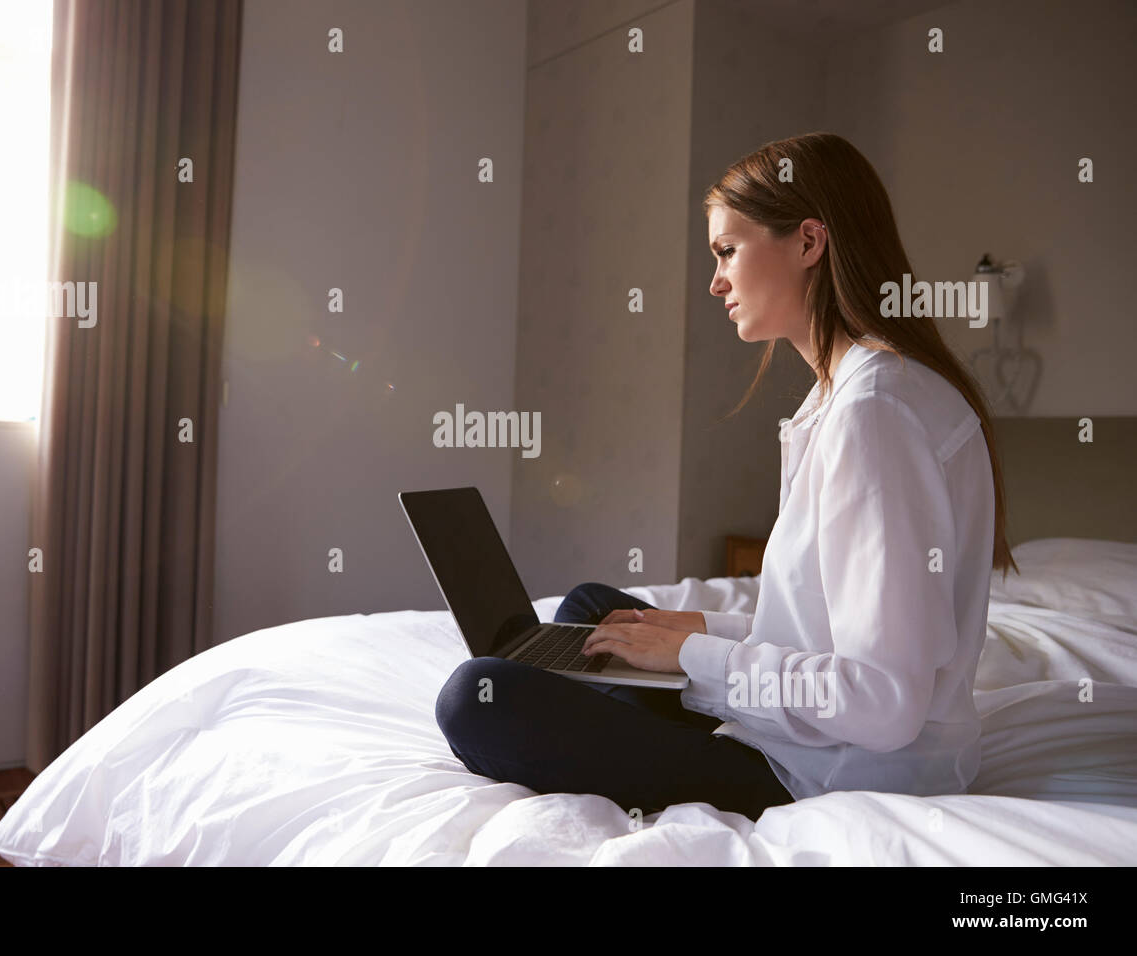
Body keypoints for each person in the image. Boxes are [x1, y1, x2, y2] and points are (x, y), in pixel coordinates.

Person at [435, 132, 1016, 822]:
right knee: (596, 609)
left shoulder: (874, 413)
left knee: (475, 696)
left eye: (726, 251)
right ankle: (582, 686)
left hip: (829, 772)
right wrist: (696, 630)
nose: (715, 282)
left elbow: (882, 703)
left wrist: (696, 655)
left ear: (808, 242)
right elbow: (827, 628)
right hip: (809, 739)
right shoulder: (858, 392)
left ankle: (575, 702)